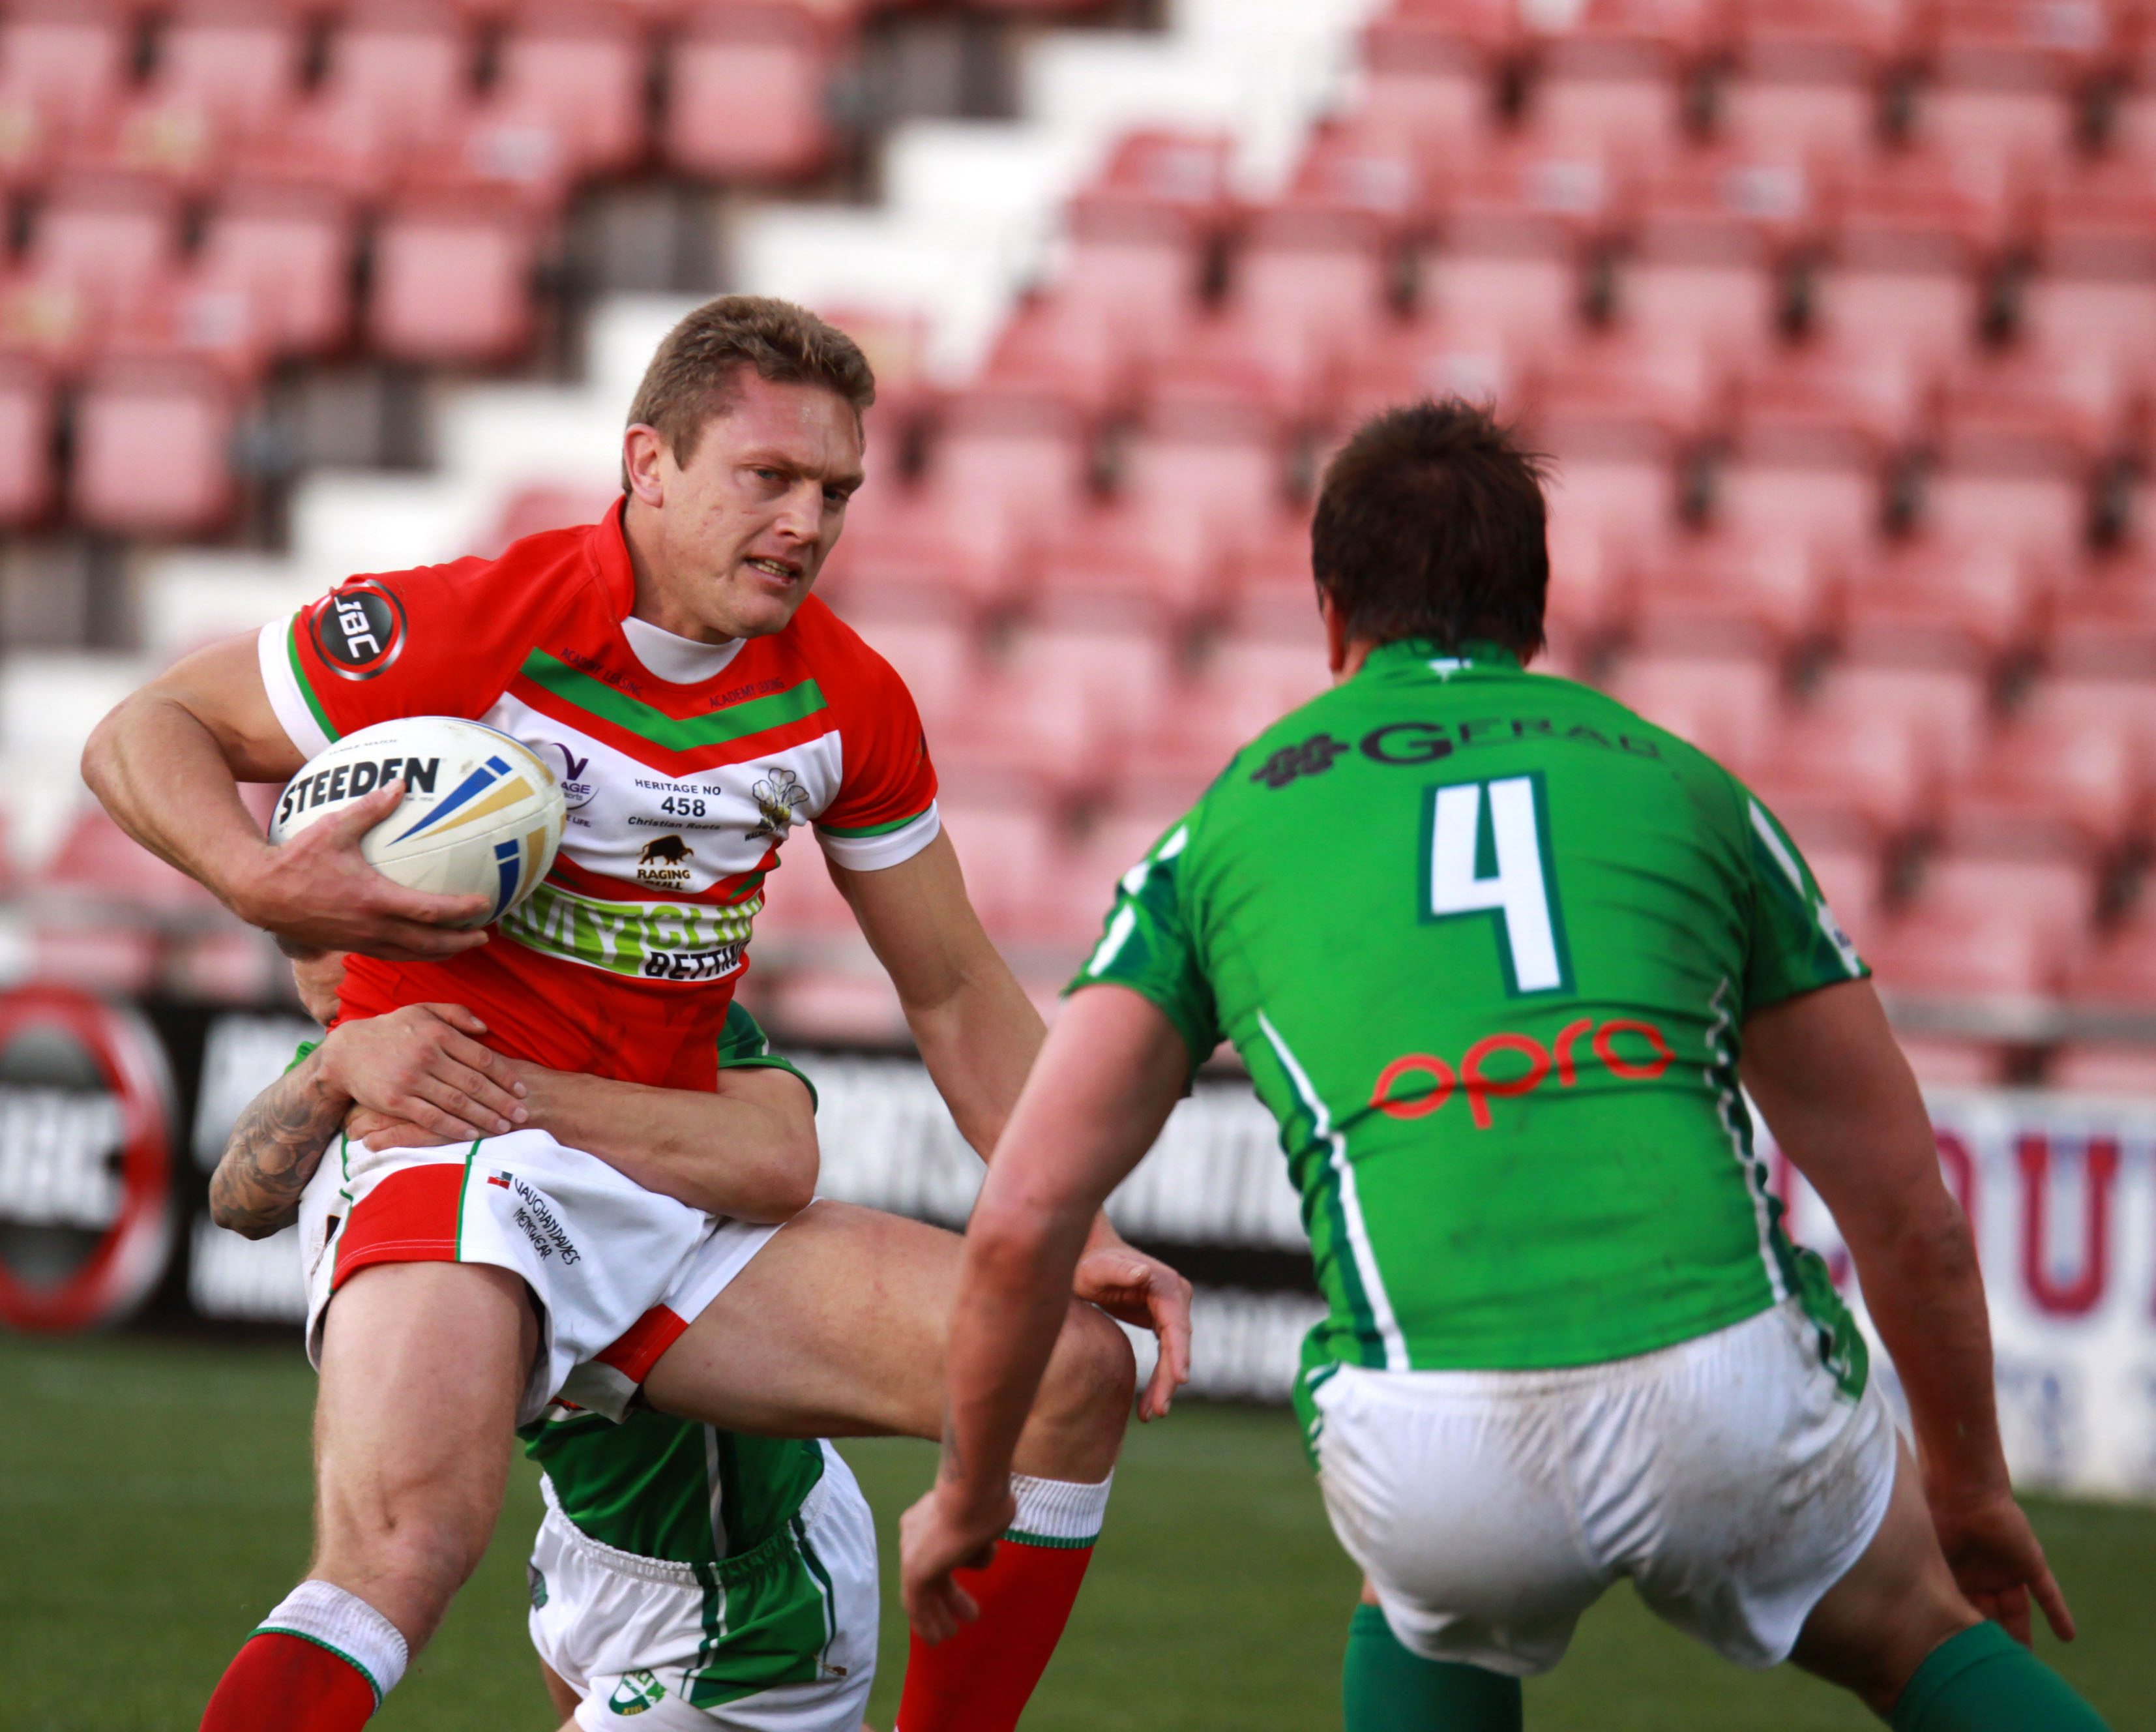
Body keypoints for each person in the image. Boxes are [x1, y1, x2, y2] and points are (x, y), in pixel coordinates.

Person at [900, 400, 2111, 1732]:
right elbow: (1908, 1219)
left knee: (1419, 1588)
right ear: (1536, 615)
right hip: (1723, 1380)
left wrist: (968, 1497)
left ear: (1330, 615)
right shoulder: (1690, 788)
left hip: (1442, 1432)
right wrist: (1975, 1488)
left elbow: (1022, 1219)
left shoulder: (1222, 832)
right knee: (1910, 1630)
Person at [84, 295, 1190, 1732]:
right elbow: (140, 733)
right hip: (452, 1149)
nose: (806, 521)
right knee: (398, 1554)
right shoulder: (472, 624)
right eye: (769, 478)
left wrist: (1081, 1230)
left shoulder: (847, 699)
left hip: (668, 1175)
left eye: (835, 490)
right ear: (647, 464)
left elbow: (958, 988)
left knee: (1069, 1370)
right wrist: (259, 876)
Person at [212, 992, 881, 1732]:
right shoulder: (370, 1053)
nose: (317, 974)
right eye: (296, 937)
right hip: (580, 1545)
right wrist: (327, 1073)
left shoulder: (661, 1004)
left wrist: (506, 1092)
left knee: (382, 1568)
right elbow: (238, 1202)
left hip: (743, 1595)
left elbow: (779, 1157)